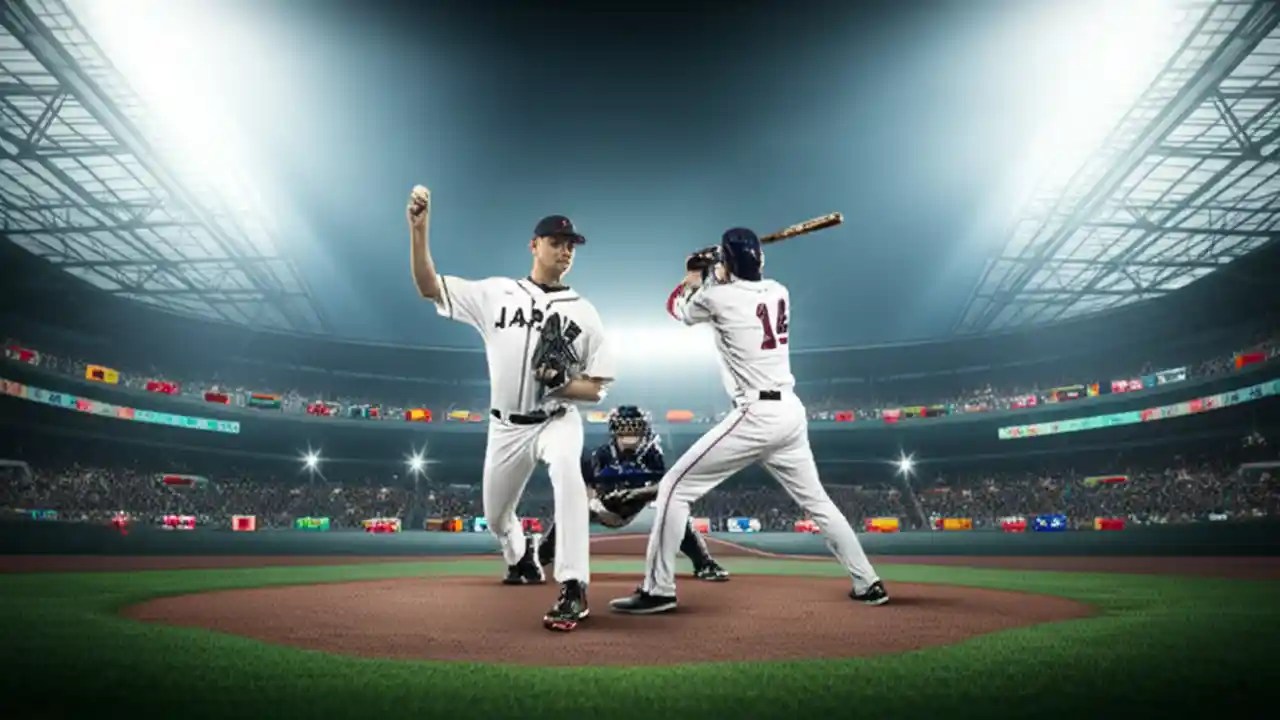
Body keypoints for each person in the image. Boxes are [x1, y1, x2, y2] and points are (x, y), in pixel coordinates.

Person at [610, 228, 887, 614]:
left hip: (756, 414)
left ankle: (659, 590)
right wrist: (720, 268)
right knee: (819, 503)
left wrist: (695, 274)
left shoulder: (716, 296)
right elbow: (738, 286)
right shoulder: (779, 290)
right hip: (790, 412)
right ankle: (868, 582)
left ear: (728, 263)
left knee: (673, 486)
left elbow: (677, 309)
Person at [406, 185, 615, 632]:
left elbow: (598, 388)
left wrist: (564, 383)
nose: (565, 251)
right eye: (556, 242)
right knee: (496, 515)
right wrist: (419, 231)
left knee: (569, 477)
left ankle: (574, 586)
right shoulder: (496, 294)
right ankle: (521, 558)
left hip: (557, 420)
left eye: (571, 246)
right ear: (534, 245)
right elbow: (428, 286)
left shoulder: (586, 313)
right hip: (505, 428)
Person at [536, 405, 730, 581]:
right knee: (569, 511)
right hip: (605, 507)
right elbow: (586, 488)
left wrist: (634, 495)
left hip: (640, 508)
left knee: (676, 513)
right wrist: (598, 500)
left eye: (634, 429)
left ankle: (704, 563)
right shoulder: (601, 455)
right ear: (614, 432)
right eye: (623, 430)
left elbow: (664, 488)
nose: (628, 435)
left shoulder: (652, 454)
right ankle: (539, 558)